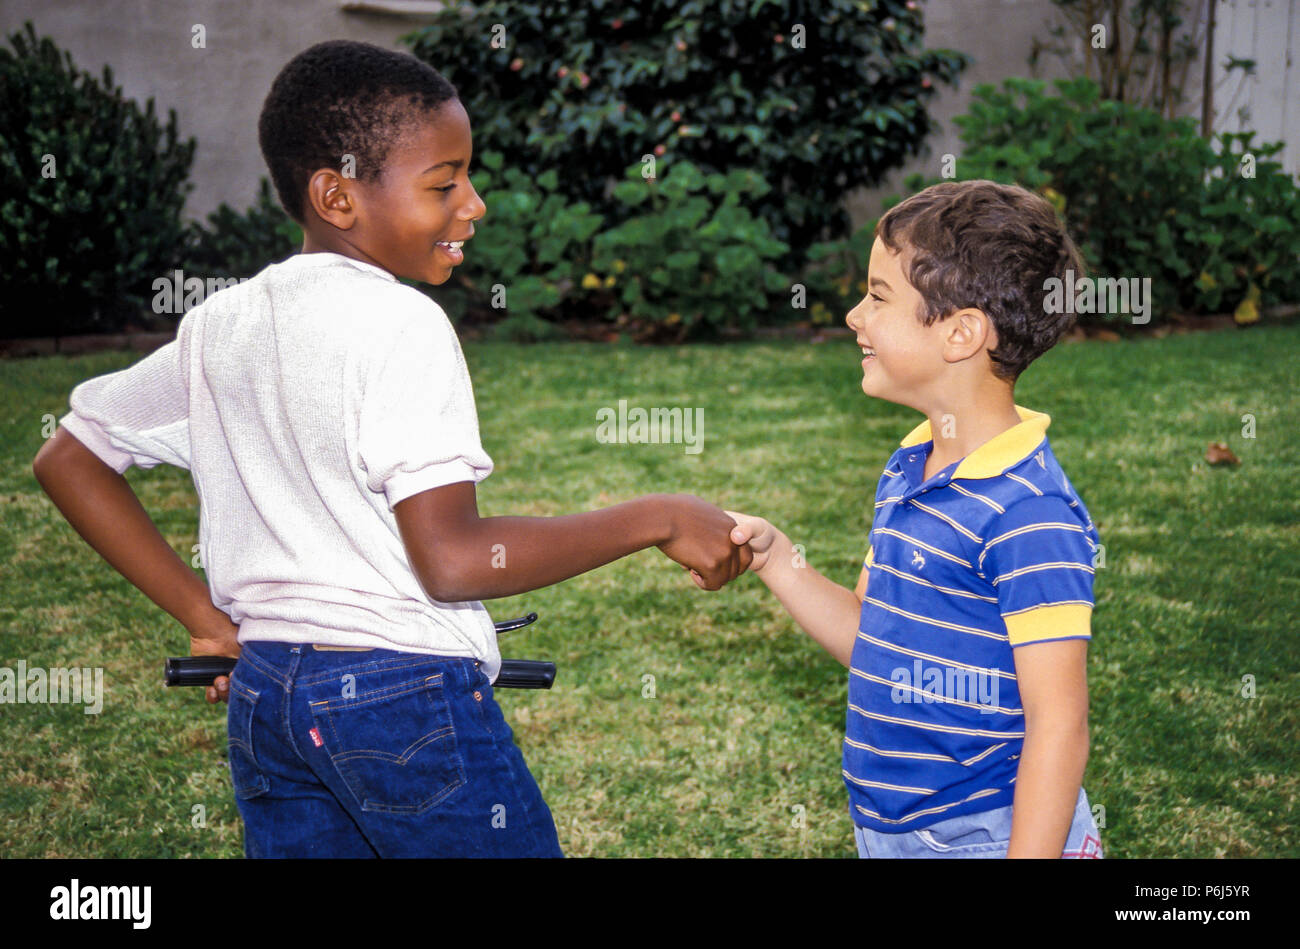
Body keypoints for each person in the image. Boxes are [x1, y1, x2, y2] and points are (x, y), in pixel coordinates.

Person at [31, 39, 748, 858]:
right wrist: (657, 516)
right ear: (337, 195)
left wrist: (206, 616)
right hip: (402, 703)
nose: (474, 204)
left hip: (269, 702)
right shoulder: (403, 323)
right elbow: (453, 559)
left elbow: (70, 456)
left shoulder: (218, 325)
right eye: (444, 183)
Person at [727, 180, 1105, 858]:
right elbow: (876, 642)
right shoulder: (910, 468)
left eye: (876, 296)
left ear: (960, 332)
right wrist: (778, 557)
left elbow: (1060, 725)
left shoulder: (1028, 513)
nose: (853, 315)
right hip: (891, 827)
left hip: (984, 832)